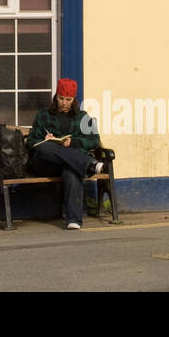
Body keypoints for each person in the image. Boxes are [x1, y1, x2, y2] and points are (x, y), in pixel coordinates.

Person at [26, 78, 104, 230]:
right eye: (61, 98)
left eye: (68, 99)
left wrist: (73, 142)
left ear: (74, 99)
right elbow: (31, 141)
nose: (64, 103)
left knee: (71, 169)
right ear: (56, 97)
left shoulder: (83, 117)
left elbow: (95, 140)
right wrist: (44, 139)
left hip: (70, 162)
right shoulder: (43, 115)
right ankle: (89, 164)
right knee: (44, 147)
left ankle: (73, 220)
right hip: (46, 164)